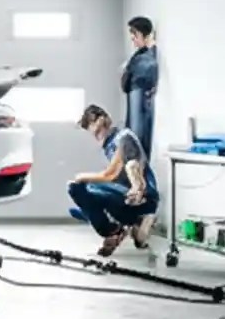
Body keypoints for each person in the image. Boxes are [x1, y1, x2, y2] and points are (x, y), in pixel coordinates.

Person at [68, 104, 160, 257]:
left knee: (81, 187)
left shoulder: (123, 137)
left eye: (98, 132)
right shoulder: (110, 144)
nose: (97, 137)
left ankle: (133, 222)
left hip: (142, 198)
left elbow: (127, 167)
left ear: (102, 119)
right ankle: (119, 228)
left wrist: (137, 187)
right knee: (78, 196)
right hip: (125, 199)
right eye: (95, 135)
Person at [121, 16, 159, 158]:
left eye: (135, 35)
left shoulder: (146, 59)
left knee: (137, 144)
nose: (133, 39)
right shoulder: (138, 57)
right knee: (133, 142)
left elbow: (127, 79)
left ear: (146, 35)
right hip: (135, 97)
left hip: (140, 98)